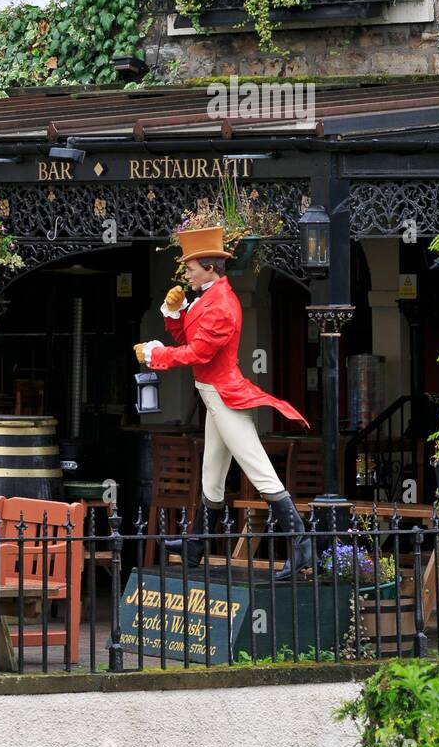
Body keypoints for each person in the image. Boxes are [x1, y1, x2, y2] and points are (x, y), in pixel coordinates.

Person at [134, 226, 313, 580]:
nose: (185, 273)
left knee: (259, 469)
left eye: (190, 267)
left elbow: (198, 352)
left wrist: (156, 354)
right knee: (212, 478)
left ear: (210, 268)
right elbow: (192, 338)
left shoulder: (223, 305)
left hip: (224, 397)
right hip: (213, 395)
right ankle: (197, 545)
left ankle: (301, 544)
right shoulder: (210, 298)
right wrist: (177, 313)